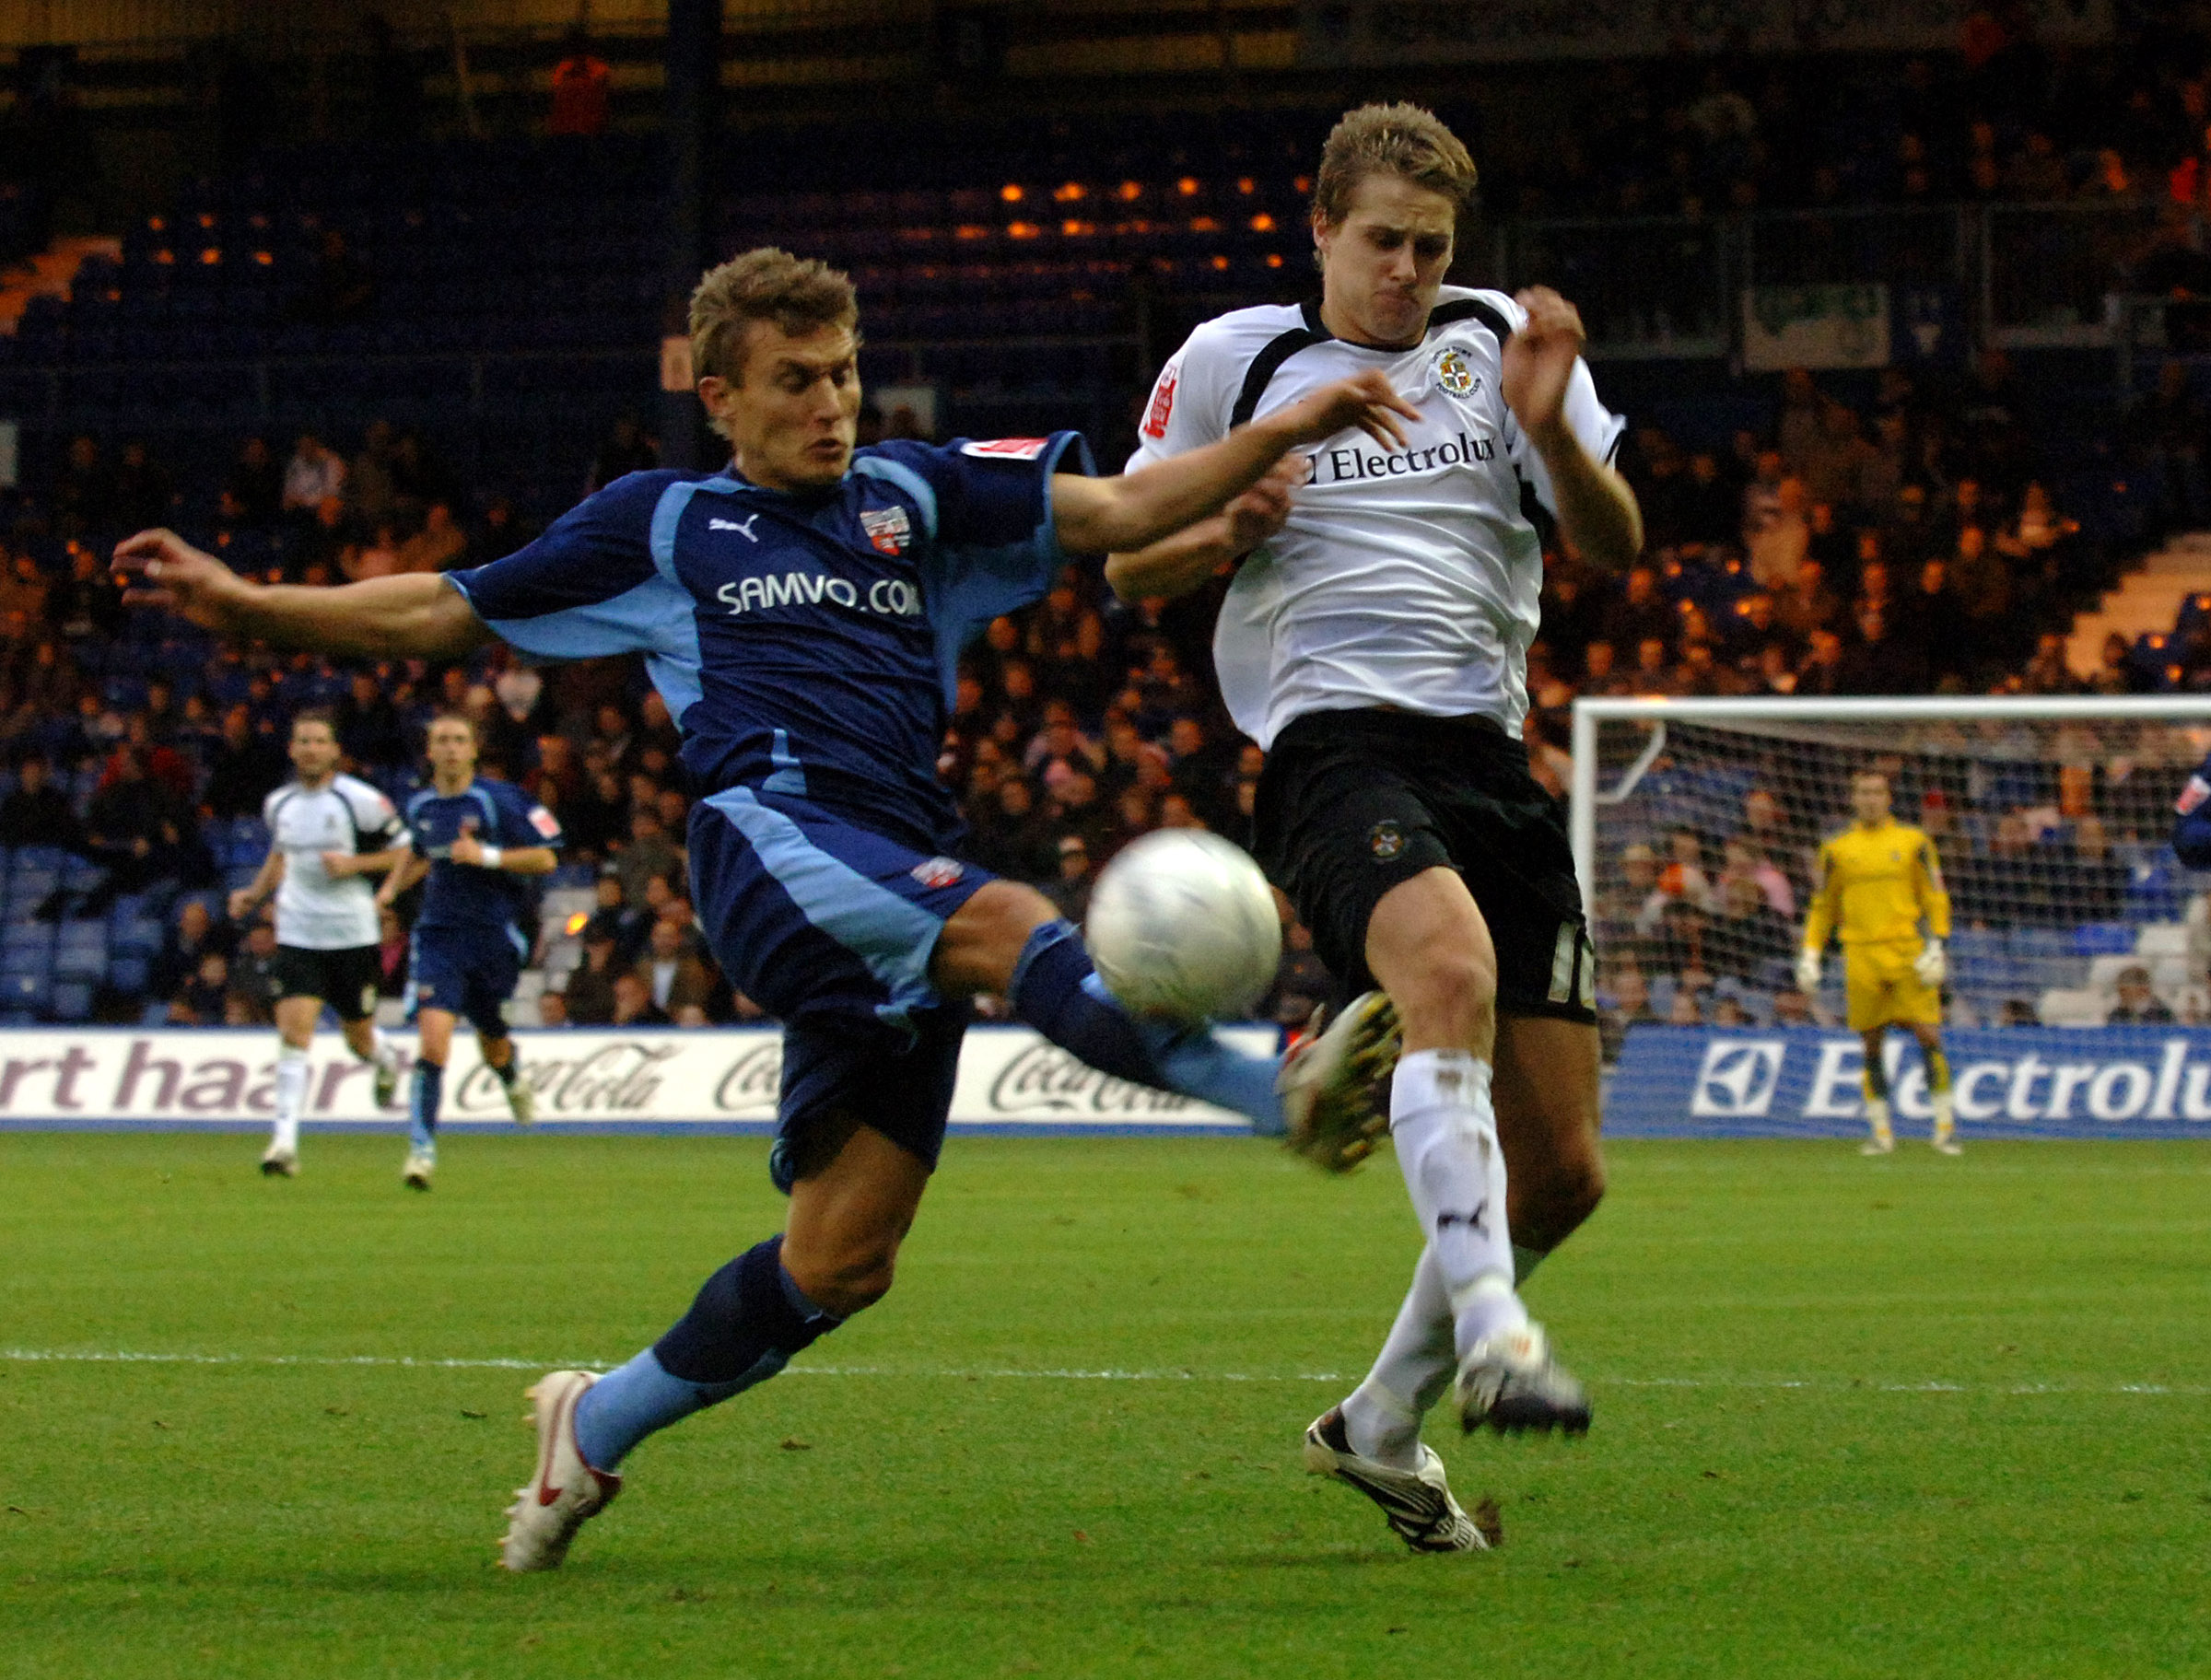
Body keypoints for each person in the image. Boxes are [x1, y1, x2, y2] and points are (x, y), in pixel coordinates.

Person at [114, 243, 1409, 1572]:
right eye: (795, 383)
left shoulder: (917, 493)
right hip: (773, 849)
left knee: (841, 1262)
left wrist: (1265, 451)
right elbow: (442, 613)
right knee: (1008, 920)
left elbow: (1122, 516)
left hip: (896, 867)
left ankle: (592, 1423)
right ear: (721, 396)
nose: (832, 406)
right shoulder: (666, 522)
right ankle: (1283, 1098)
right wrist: (247, 603)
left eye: (844, 374)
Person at [1107, 103, 1632, 1552]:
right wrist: (1223, 530)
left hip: (1488, 757)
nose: (1407, 270)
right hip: (1332, 743)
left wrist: (1551, 434)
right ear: (1323, 225)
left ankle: (1376, 1428)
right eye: (1384, 240)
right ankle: (1495, 1337)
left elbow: (1614, 543)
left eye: (1432, 245)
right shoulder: (1235, 360)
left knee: (1568, 1175)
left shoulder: (1502, 346)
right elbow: (1123, 562)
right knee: (1448, 980)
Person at [372, 713, 554, 1188]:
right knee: (433, 1044)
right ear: (429, 752)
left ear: (473, 750)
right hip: (439, 937)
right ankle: (421, 1151)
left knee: (492, 1035)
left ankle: (510, 1076)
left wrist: (488, 856)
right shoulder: (422, 805)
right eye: (442, 741)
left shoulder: (500, 801)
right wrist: (391, 889)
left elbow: (547, 856)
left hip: (494, 937)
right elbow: (418, 850)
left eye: (459, 740)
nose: (451, 749)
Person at [227, 709, 405, 1177]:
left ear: (334, 751)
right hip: (299, 932)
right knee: (294, 1033)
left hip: (351, 934)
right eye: (302, 740)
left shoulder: (361, 801)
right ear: (292, 749)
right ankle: (283, 1141)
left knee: (358, 1037)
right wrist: (255, 892)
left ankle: (384, 1058)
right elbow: (280, 855)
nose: (310, 748)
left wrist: (356, 866)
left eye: (319, 741)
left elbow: (407, 851)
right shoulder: (279, 804)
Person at [1796, 772, 1959, 1158]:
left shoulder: (1914, 841)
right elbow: (1824, 906)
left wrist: (1938, 942)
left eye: (1877, 792)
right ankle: (1882, 1133)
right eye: (1863, 792)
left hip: (1906, 950)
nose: (1870, 799)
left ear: (1889, 798)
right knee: (1871, 1043)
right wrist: (1810, 952)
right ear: (1853, 798)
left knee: (1928, 1035)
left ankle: (1945, 1128)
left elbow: (1935, 895)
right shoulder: (1837, 849)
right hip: (1861, 954)